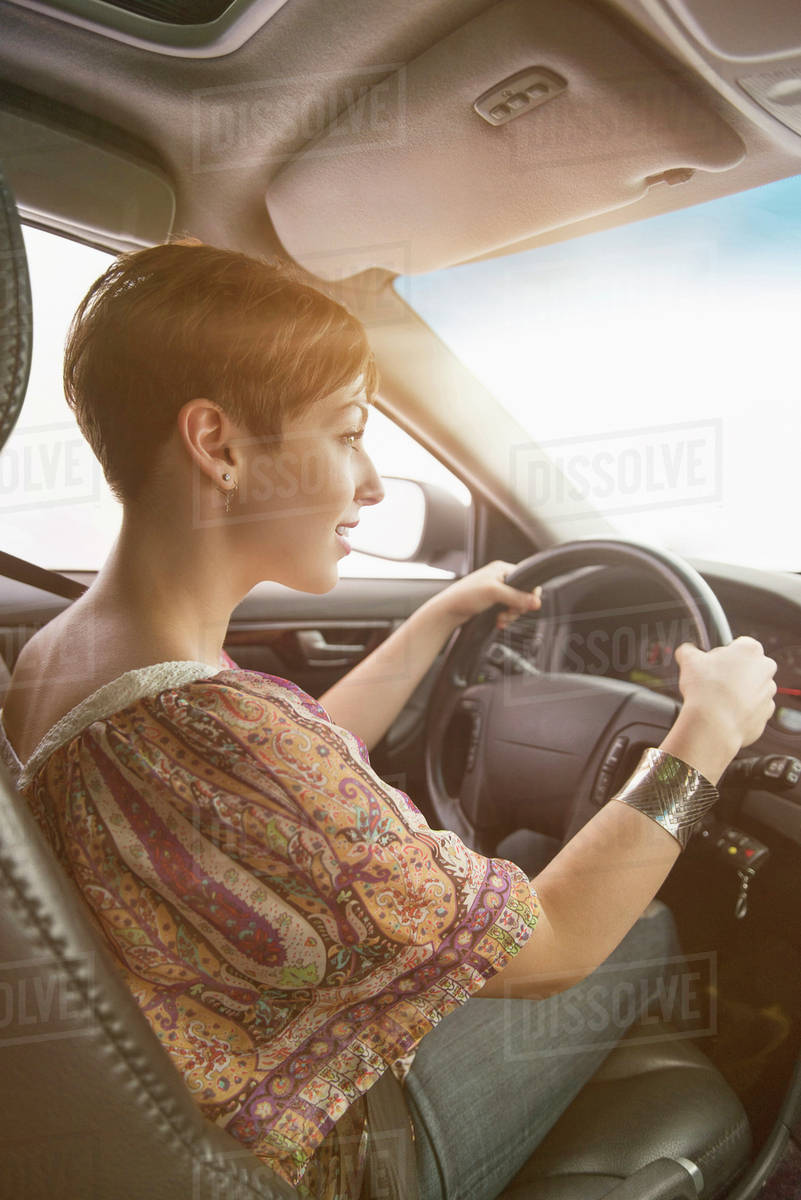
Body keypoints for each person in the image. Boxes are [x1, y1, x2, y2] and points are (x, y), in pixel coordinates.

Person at [0, 242, 776, 1200]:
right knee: (644, 925)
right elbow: (556, 946)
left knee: (542, 849)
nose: (369, 484)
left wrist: (436, 617)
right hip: (334, 1147)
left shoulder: (65, 655)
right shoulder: (232, 736)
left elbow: (280, 789)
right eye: (348, 433)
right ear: (218, 444)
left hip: (194, 1093)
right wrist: (706, 727)